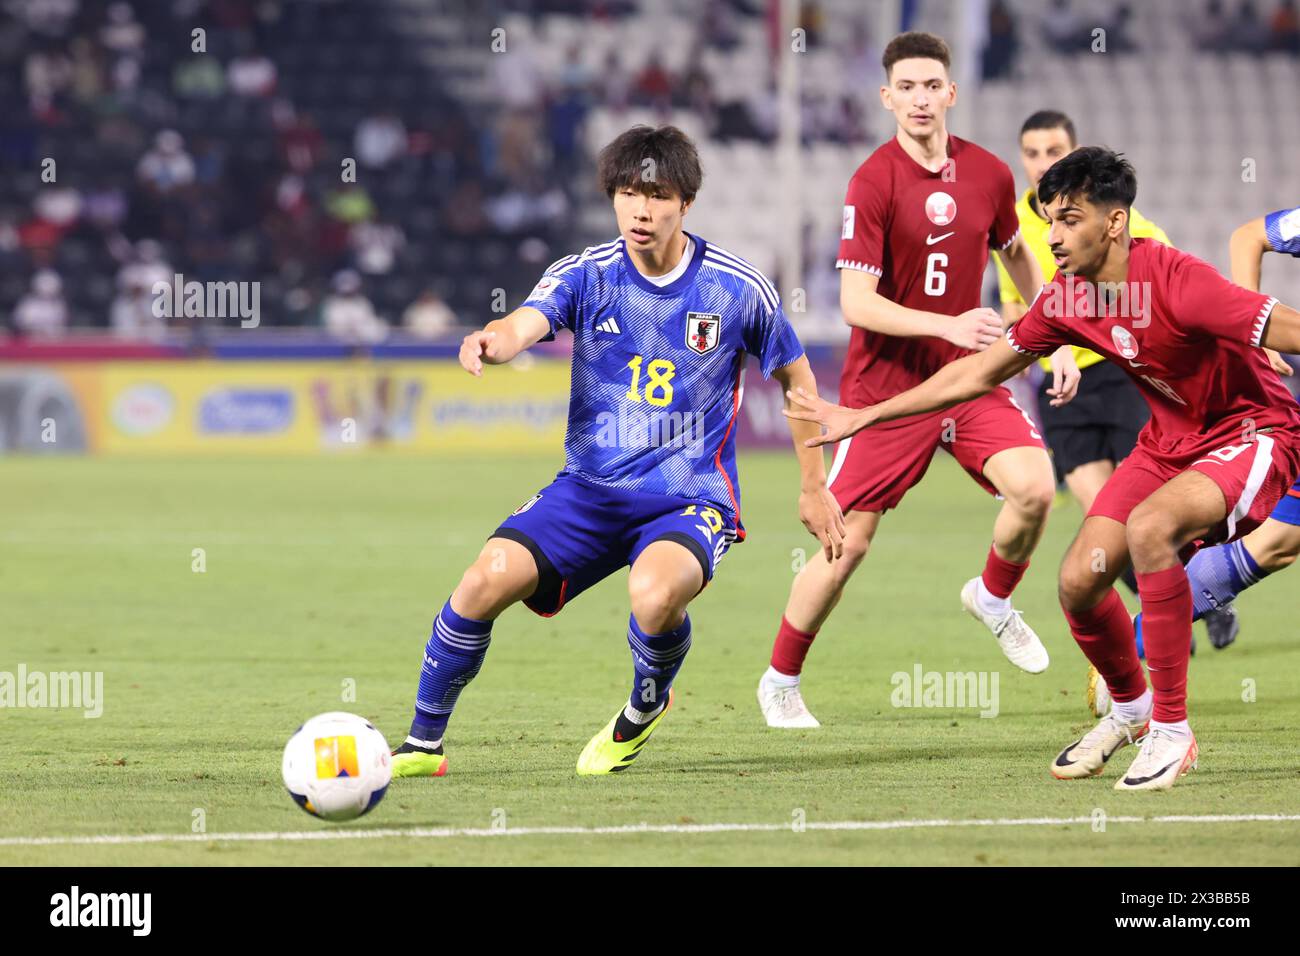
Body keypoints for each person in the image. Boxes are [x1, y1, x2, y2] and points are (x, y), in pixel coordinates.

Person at [783, 147, 1300, 790]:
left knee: (1148, 531)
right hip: (1168, 444)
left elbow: (1289, 328)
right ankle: (1133, 710)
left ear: (1115, 224)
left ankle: (1172, 731)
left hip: (1253, 435)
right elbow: (977, 372)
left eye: (1069, 220)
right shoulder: (1067, 298)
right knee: (1078, 584)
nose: (1051, 237)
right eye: (1049, 220)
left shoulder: (1179, 281)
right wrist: (866, 415)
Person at [390, 125, 844, 778]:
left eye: (656, 194)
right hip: (588, 490)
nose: (640, 208)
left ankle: (643, 707)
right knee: (484, 578)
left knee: (654, 595)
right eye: (627, 192)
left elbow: (798, 382)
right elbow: (526, 321)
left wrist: (812, 484)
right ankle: (422, 746)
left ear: (685, 202)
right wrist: (493, 339)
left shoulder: (736, 289)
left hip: (689, 498)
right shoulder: (586, 273)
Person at [757, 31, 1069, 731]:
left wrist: (1057, 339)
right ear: (887, 97)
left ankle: (992, 597)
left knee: (1035, 489)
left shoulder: (989, 175)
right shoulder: (872, 182)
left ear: (951, 93)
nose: (921, 99)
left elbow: (1019, 255)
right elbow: (856, 304)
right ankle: (779, 680)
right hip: (885, 393)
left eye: (933, 86)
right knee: (847, 544)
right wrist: (948, 324)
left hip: (967, 380)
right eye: (908, 87)